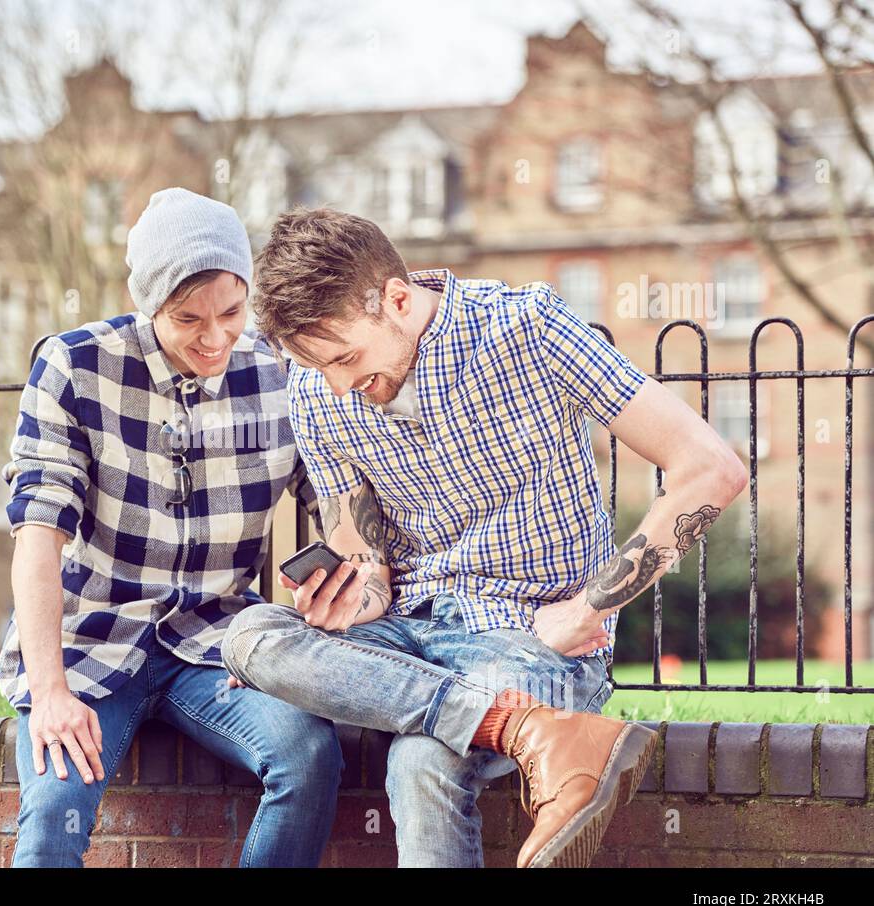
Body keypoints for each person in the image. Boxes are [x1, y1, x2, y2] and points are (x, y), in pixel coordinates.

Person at [223, 206, 748, 867]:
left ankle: (531, 721)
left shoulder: (526, 327)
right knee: (251, 637)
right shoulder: (317, 392)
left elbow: (710, 467)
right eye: (319, 366)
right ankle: (537, 733)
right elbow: (368, 560)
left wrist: (591, 610)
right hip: (408, 636)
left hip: (527, 639)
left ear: (399, 298)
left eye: (347, 358)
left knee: (421, 760)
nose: (339, 385)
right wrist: (350, 599)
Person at [0, 188, 343, 867]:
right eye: (189, 318)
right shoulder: (74, 367)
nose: (216, 337)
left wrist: (332, 564)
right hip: (85, 644)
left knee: (309, 755)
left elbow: (338, 498)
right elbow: (38, 536)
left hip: (219, 645)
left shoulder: (278, 372)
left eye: (233, 312)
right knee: (51, 821)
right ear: (149, 302)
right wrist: (52, 693)